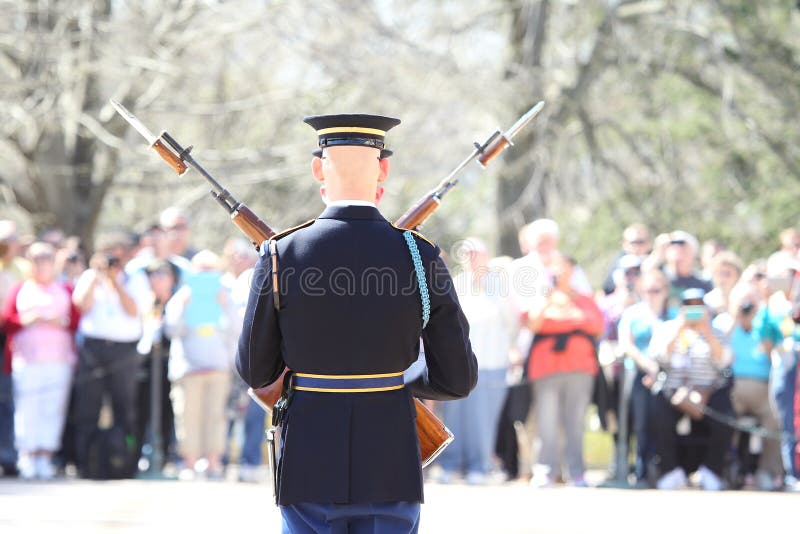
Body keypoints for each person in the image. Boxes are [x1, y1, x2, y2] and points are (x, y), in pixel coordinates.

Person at [237, 113, 477, 533]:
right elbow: (456, 378)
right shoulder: (420, 257)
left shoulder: (279, 254)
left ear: (318, 169)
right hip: (391, 460)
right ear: (383, 168)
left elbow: (256, 371)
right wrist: (395, 381)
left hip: (307, 460)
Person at [437, 238, 516, 485]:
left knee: (483, 418)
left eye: (477, 254)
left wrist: (509, 350)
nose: (472, 260)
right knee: (454, 414)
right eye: (467, 255)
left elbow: (513, 323)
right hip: (460, 362)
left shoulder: (501, 286)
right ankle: (450, 465)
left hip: (492, 362)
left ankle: (479, 467)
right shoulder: (457, 283)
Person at [71, 233, 150, 478]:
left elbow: (133, 310)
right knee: (88, 406)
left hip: (123, 350)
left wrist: (116, 282)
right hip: (94, 348)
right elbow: (81, 305)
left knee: (123, 406)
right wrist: (97, 278)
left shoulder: (135, 279)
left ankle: (122, 462)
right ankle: (86, 463)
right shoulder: (89, 277)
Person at [1, 243, 80, 479]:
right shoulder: (20, 288)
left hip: (58, 358)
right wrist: (28, 319)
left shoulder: (64, 288)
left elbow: (76, 320)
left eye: (45, 259)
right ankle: (27, 455)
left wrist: (61, 321)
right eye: (36, 260)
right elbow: (6, 321)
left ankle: (45, 455)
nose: (41, 265)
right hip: (27, 358)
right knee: (27, 407)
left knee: (53, 407)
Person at [526, 253, 603, 488]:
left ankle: (576, 472)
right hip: (546, 369)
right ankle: (545, 471)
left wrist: (567, 316)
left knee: (575, 422)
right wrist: (553, 303)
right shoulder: (543, 298)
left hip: (580, 368)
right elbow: (534, 323)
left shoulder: (585, 299)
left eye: (565, 268)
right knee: (547, 423)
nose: (561, 273)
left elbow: (596, 325)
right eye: (556, 269)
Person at [648, 288, 734, 491]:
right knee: (659, 415)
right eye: (689, 305)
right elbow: (661, 359)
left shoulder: (716, 332)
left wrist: (706, 332)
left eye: (698, 305)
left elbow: (724, 363)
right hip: (674, 394)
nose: (693, 310)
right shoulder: (668, 329)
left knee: (724, 416)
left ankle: (711, 471)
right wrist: (680, 330)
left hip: (708, 394)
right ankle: (669, 471)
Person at [165, 250, 234, 480]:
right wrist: (185, 306)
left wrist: (224, 306)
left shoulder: (226, 295)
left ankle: (214, 463)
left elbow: (237, 330)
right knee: (187, 416)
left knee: (216, 416)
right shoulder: (182, 296)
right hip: (188, 368)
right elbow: (171, 329)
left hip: (218, 369)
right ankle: (190, 463)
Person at [713, 283, 783, 490]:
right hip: (732, 387)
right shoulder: (724, 324)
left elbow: (772, 355)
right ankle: (724, 467)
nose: (746, 307)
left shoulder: (766, 324)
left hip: (764, 389)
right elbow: (719, 356)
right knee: (721, 416)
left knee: (776, 418)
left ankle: (768, 472)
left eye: (750, 302)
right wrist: (736, 319)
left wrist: (759, 326)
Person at [617, 268, 673, 484]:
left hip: (667, 373)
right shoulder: (633, 313)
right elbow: (627, 344)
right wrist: (648, 365)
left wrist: (658, 367)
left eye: (656, 290)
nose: (651, 294)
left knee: (663, 420)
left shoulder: (673, 314)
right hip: (639, 373)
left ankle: (663, 468)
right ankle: (641, 469)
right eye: (647, 290)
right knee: (641, 422)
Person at [601, 224, 652, 295]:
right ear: (625, 244)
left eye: (640, 242)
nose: (636, 246)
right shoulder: (620, 263)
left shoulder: (655, 260)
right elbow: (608, 288)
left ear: (649, 243)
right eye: (633, 242)